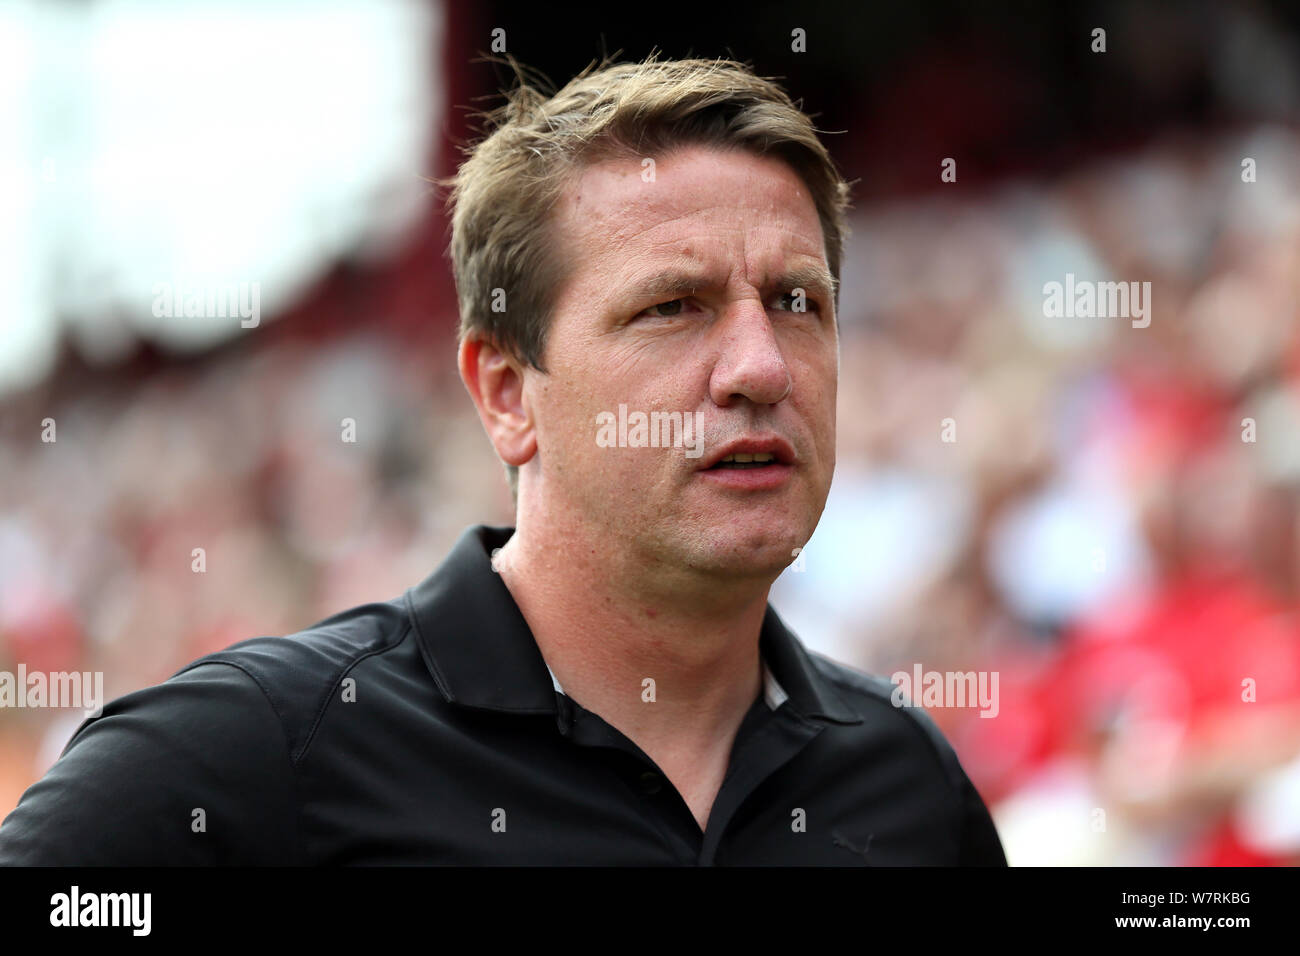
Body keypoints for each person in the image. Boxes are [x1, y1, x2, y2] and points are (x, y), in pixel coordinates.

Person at [0, 55, 1006, 865]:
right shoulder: (254, 748)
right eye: (671, 307)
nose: (757, 365)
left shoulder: (904, 779)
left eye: (797, 302)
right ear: (506, 393)